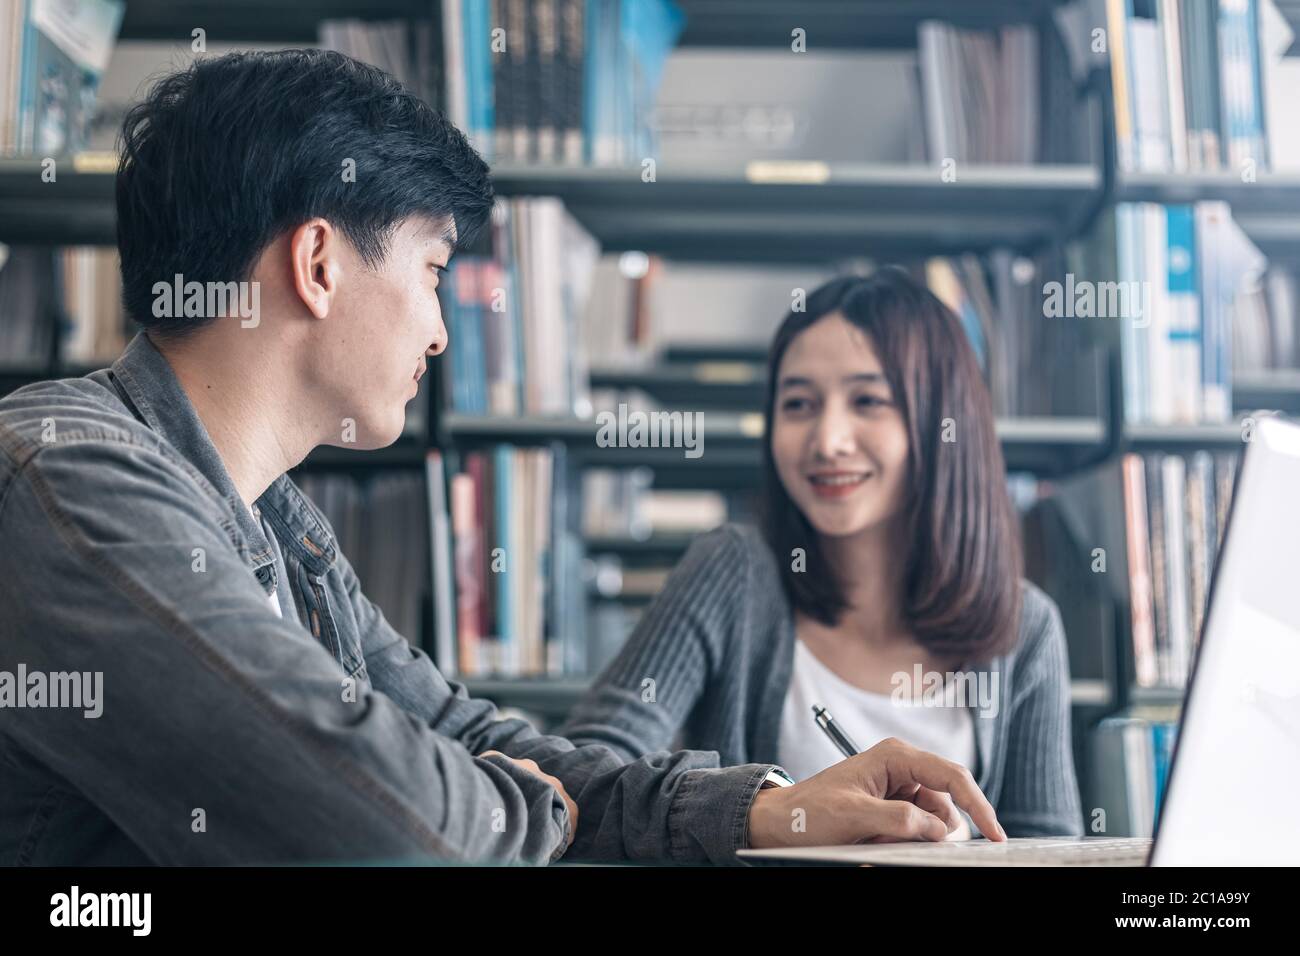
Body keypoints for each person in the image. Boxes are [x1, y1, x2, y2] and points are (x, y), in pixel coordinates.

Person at [0, 51, 1005, 866]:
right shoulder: (71, 479)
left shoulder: (278, 523)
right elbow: (396, 824)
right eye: (433, 272)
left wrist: (766, 806)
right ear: (317, 264)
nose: (440, 334)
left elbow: (457, 733)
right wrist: (533, 808)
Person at [561, 270, 1084, 838]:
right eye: (799, 404)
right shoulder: (734, 573)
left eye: (867, 400)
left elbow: (1048, 850)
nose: (828, 439)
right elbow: (577, 778)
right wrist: (768, 807)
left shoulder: (1025, 628)